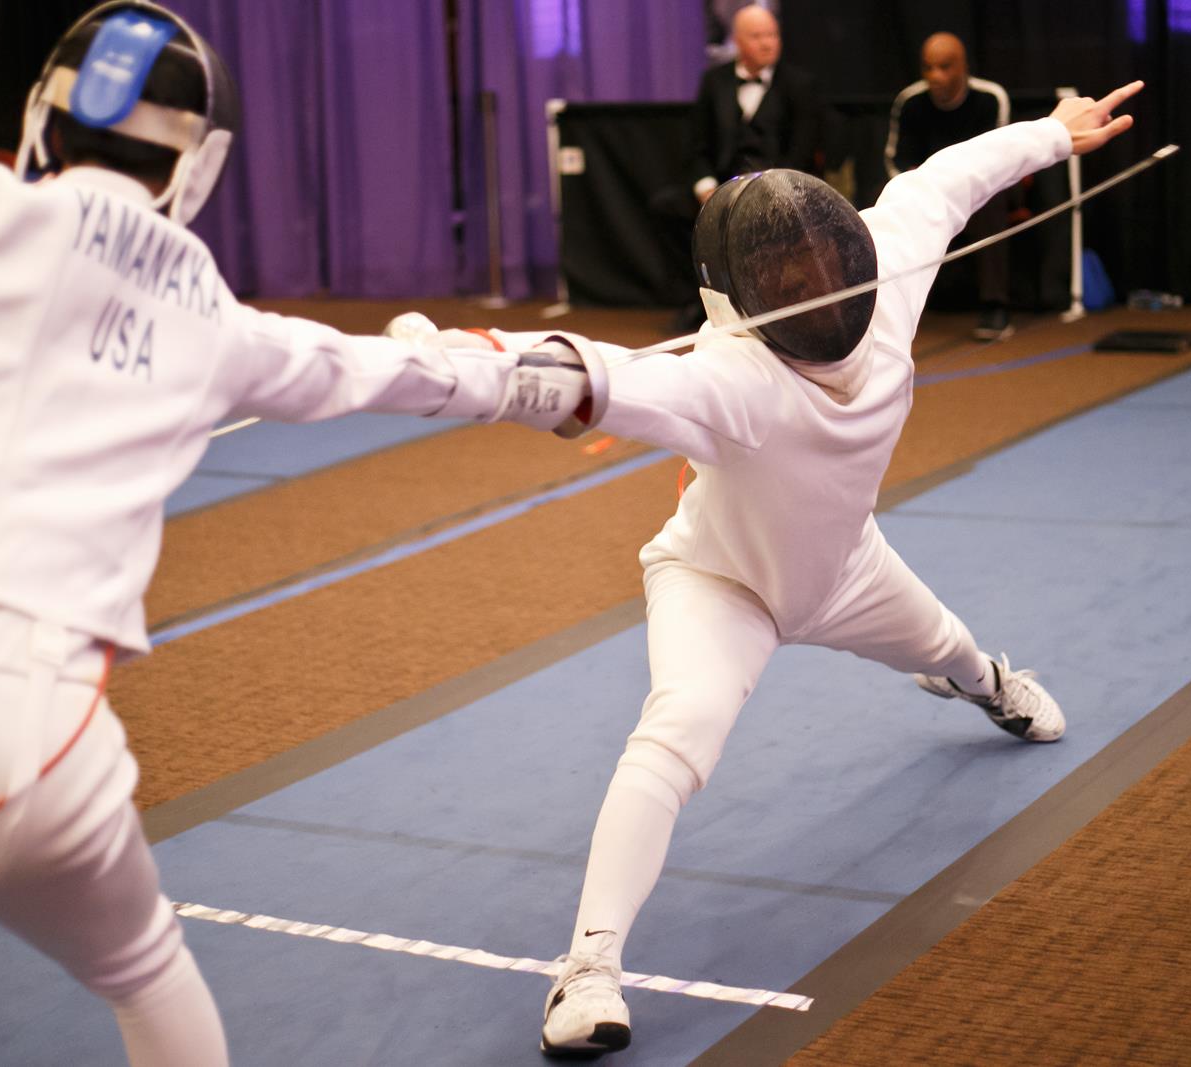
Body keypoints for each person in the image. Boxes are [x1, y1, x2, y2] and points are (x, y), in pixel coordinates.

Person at [0, 3, 604, 1062]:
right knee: (149, 971)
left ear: (43, 116)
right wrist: (537, 376)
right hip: (61, 751)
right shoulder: (208, 308)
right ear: (195, 163)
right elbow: (382, 368)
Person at [482, 79, 1145, 1057]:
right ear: (741, 295)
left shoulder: (890, 265)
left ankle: (988, 685)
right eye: (784, 271)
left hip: (846, 565)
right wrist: (474, 364)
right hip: (721, 582)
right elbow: (584, 374)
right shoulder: (726, 376)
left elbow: (950, 174)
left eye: (820, 255)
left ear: (846, 241)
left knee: (956, 651)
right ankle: (586, 968)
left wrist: (1052, 132)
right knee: (675, 734)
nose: (811, 277)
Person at [652, 3, 823, 330]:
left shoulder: (800, 85)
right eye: (758, 36)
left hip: (775, 192)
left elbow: (801, 154)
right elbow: (698, 146)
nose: (768, 43)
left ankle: (766, 304)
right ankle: (698, 299)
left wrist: (764, 192)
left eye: (772, 35)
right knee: (666, 207)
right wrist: (706, 187)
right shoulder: (713, 82)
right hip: (721, 189)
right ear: (738, 42)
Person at [886, 32, 1017, 341]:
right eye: (928, 68)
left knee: (992, 206)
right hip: (926, 194)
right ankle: (894, 312)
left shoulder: (990, 98)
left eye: (945, 67)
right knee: (883, 201)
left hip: (980, 193)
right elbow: (896, 162)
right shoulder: (910, 102)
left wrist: (958, 187)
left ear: (963, 67)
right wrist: (918, 187)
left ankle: (995, 305)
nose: (935, 76)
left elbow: (999, 161)